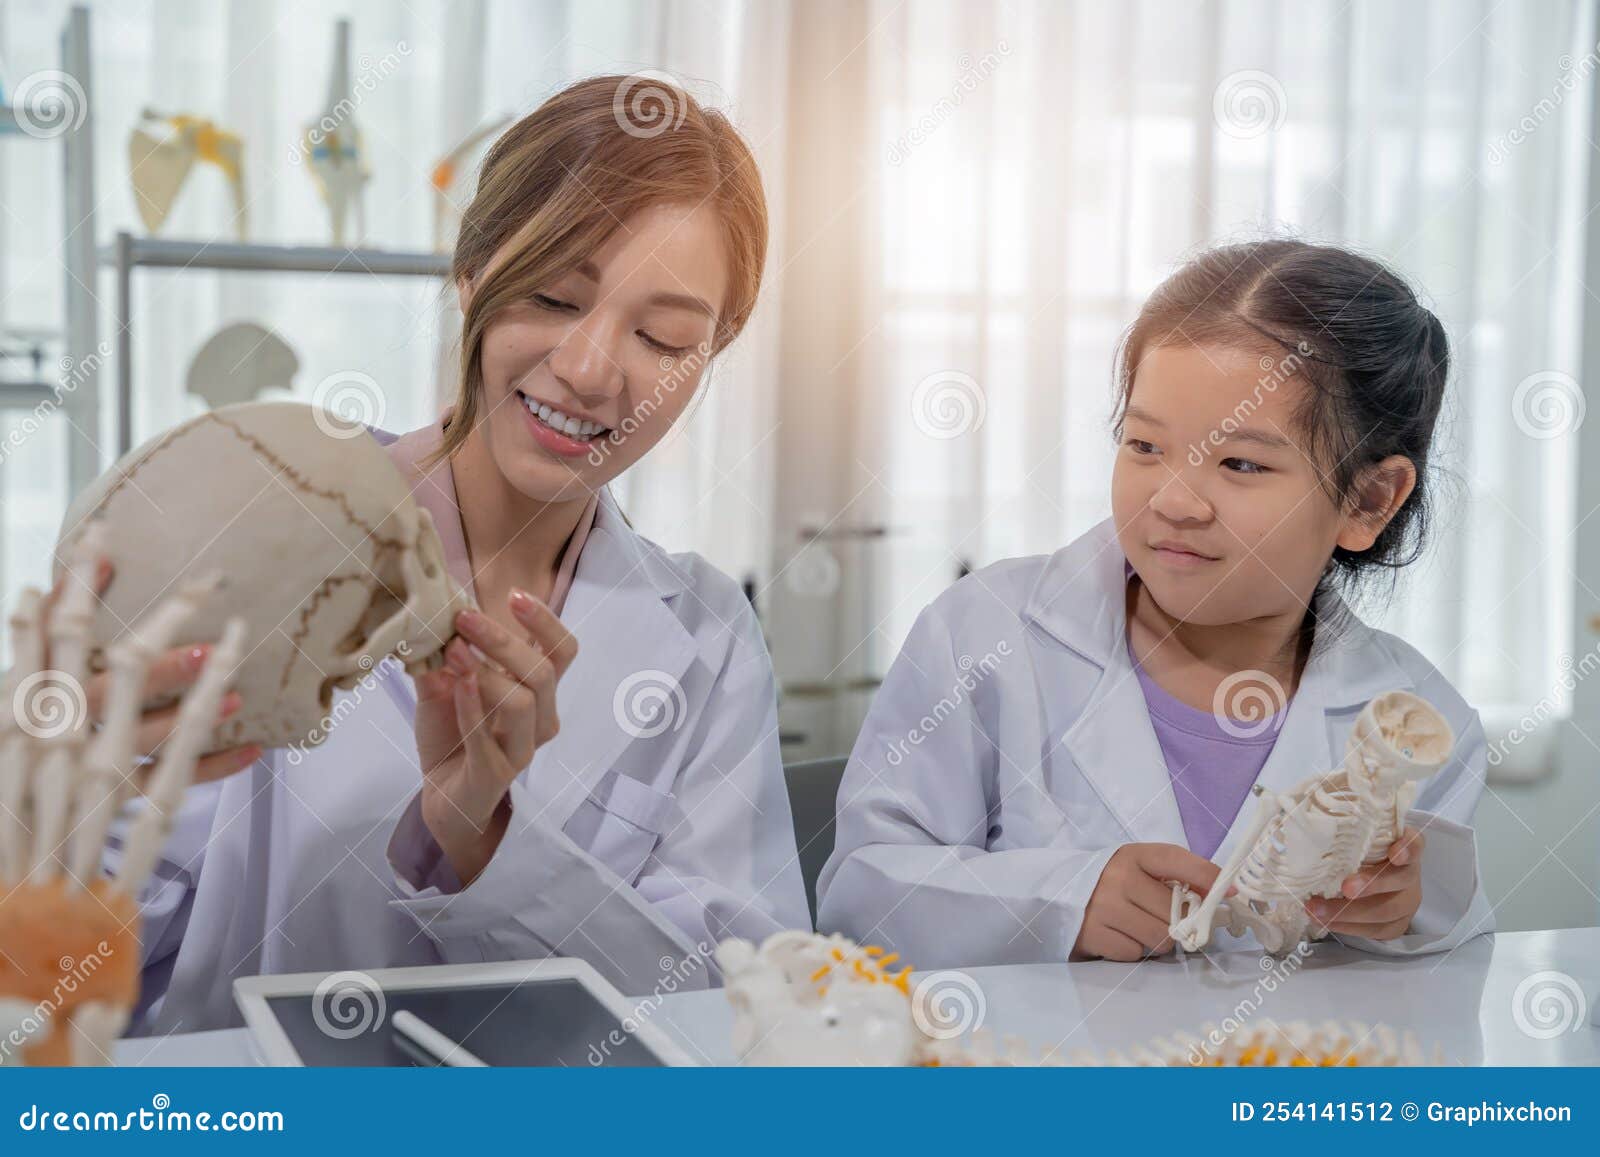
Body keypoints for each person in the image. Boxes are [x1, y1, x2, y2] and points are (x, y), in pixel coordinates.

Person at [81, 75, 807, 1035]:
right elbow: (73, 967)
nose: (590, 371)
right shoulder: (263, 532)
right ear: (469, 272)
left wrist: (481, 841)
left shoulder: (707, 636)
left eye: (662, 337)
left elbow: (739, 1007)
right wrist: (67, 765)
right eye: (553, 295)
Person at [817, 240, 1493, 967]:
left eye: (1240, 463)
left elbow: (1447, 975)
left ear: (1367, 500)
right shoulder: (984, 635)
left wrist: (1405, 911)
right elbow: (863, 894)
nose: (1173, 500)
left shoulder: (1419, 721)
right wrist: (1058, 900)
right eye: (1144, 445)